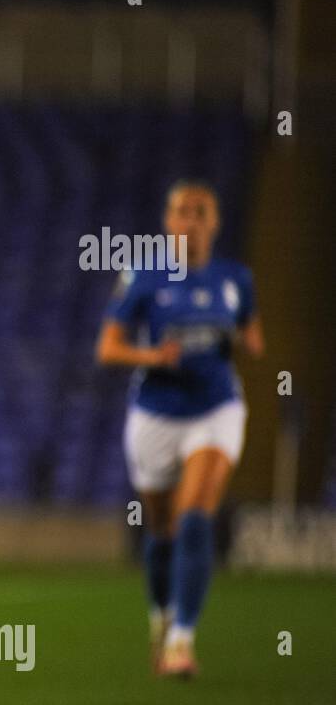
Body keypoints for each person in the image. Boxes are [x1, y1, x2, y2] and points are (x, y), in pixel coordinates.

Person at [96, 180, 264, 678]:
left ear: (214, 222)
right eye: (182, 212)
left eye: (201, 212)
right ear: (168, 222)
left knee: (195, 519)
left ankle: (182, 642)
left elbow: (252, 332)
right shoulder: (143, 276)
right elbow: (108, 348)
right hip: (155, 415)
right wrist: (153, 356)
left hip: (216, 410)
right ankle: (161, 618)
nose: (191, 220)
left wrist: (245, 342)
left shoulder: (236, 278)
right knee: (163, 530)